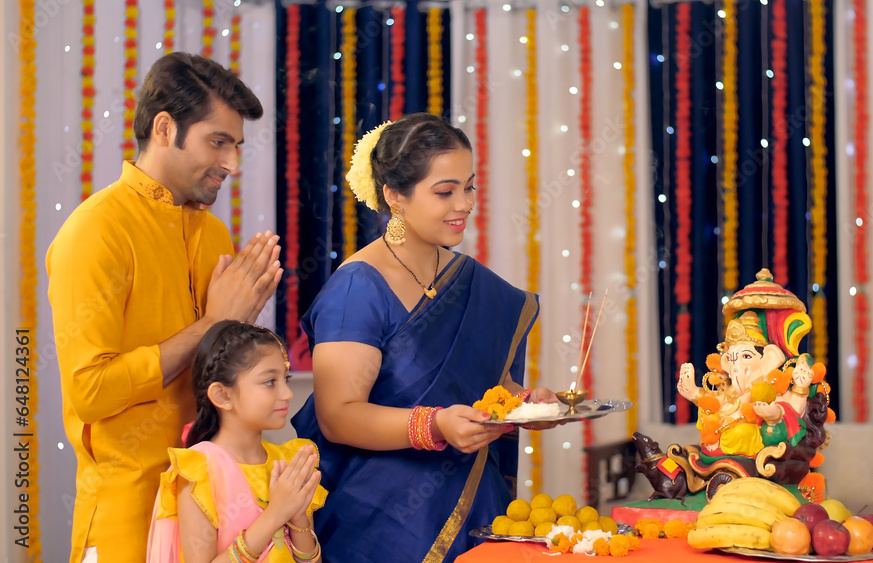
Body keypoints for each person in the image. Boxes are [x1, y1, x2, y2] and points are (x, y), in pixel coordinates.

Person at [46, 52, 282, 563]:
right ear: (164, 127)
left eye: (237, 146)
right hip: (126, 520)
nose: (232, 164)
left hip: (214, 513)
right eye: (218, 142)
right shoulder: (95, 232)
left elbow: (214, 381)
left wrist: (236, 333)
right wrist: (213, 324)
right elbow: (90, 393)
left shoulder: (212, 231)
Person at [291, 113, 555, 562]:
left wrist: (525, 403)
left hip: (476, 506)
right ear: (394, 195)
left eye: (469, 187)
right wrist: (434, 426)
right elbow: (338, 416)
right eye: (445, 192)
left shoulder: (471, 281)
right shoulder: (358, 288)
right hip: (380, 522)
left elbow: (485, 387)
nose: (465, 204)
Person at [147, 321, 327, 562]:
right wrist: (274, 515)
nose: (287, 394)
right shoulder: (200, 470)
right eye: (270, 382)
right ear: (222, 395)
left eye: (287, 379)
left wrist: (298, 521)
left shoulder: (287, 463)